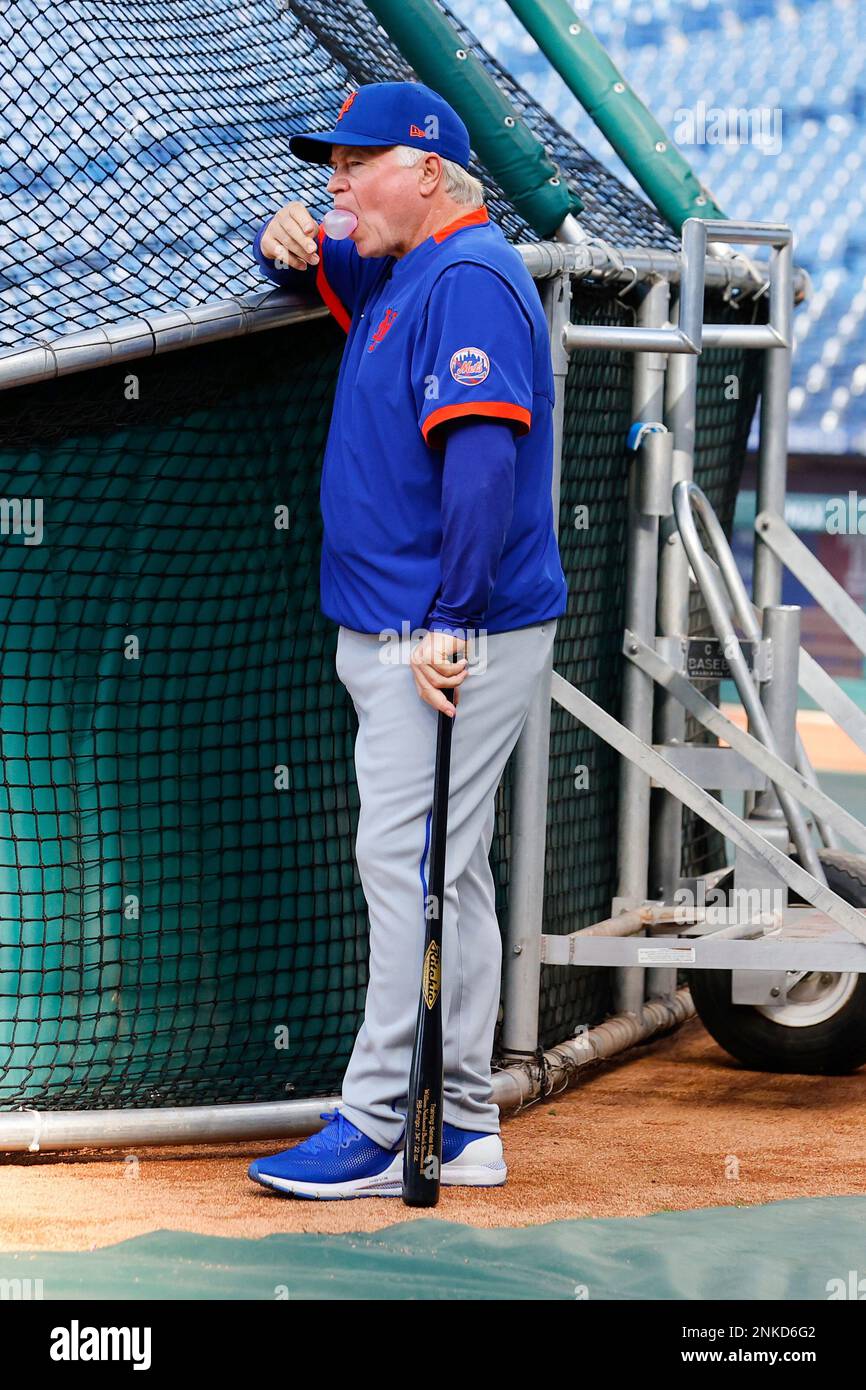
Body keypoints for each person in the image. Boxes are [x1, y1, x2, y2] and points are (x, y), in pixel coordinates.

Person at [246, 81, 568, 1200]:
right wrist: (282, 236)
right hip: (420, 627)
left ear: (427, 170)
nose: (331, 184)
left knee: (406, 865)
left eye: (353, 164)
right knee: (448, 871)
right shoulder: (406, 267)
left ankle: (384, 1120)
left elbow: (480, 463)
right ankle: (465, 1118)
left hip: (438, 635)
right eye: (326, 168)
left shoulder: (468, 278)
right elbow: (307, 259)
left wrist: (449, 620)